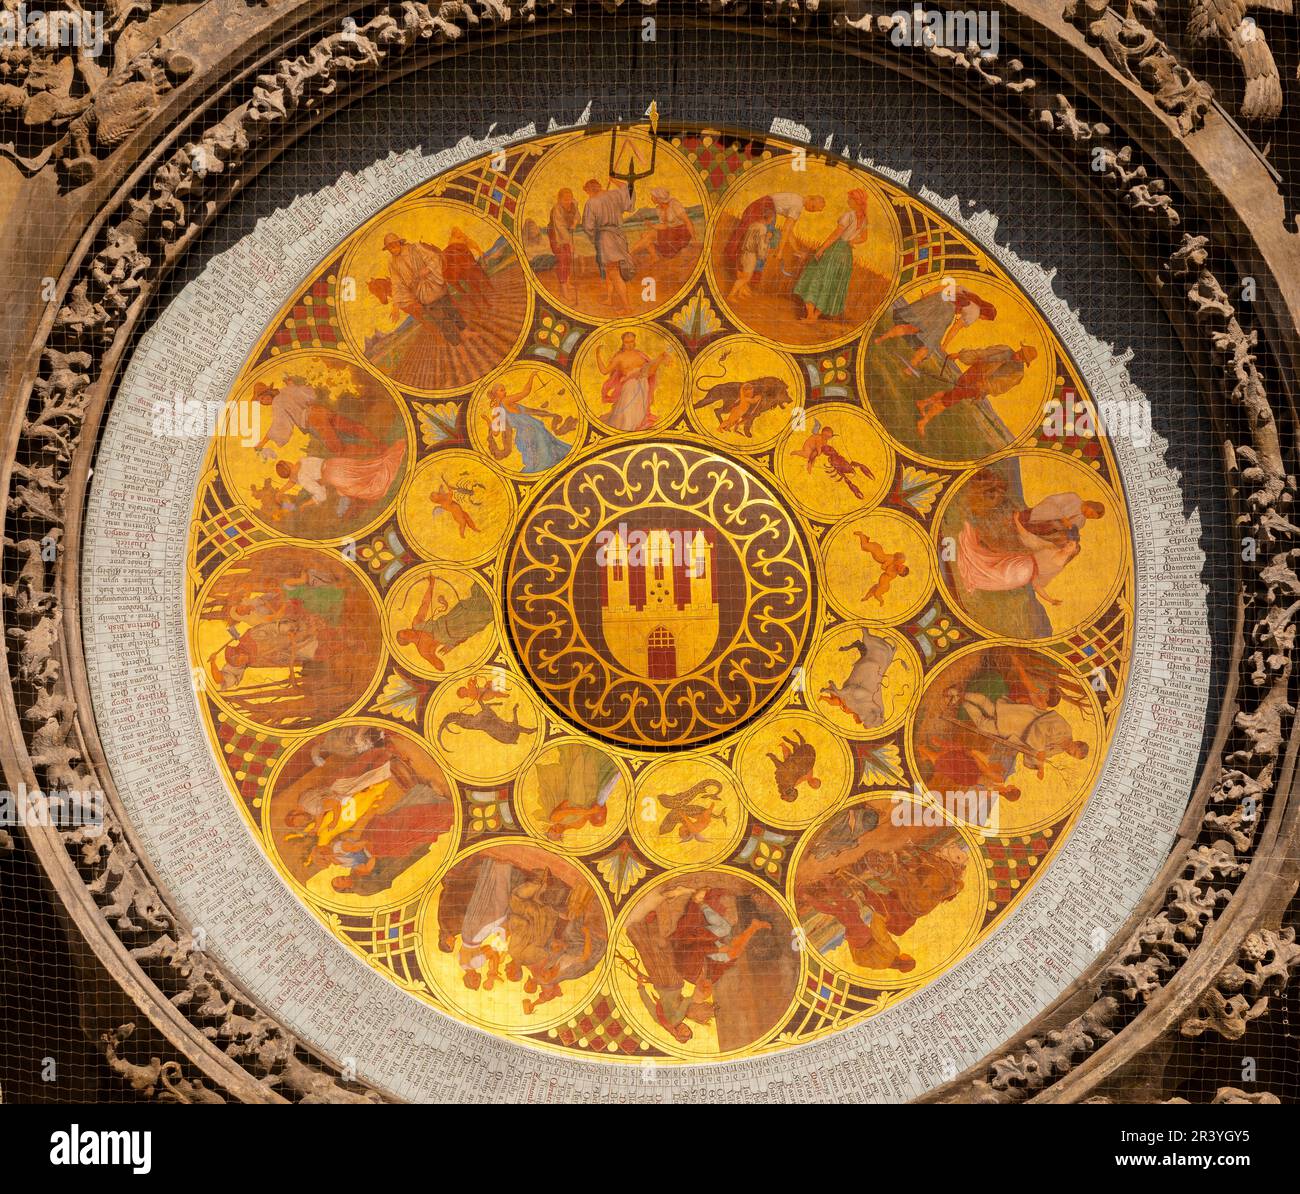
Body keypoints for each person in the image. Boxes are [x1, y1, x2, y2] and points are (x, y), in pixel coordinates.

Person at [793, 188, 872, 322]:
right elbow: (864, 238)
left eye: (850, 199)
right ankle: (815, 316)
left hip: (835, 250)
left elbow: (836, 235)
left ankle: (810, 316)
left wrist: (821, 249)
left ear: (856, 201)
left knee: (815, 277)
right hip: (846, 254)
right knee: (830, 284)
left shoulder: (849, 215)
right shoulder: (864, 219)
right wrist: (852, 241)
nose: (848, 201)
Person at [580, 178, 636, 311]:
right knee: (608, 269)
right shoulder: (614, 195)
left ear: (588, 190)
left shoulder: (591, 202)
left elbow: (588, 226)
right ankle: (610, 299)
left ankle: (627, 307)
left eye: (587, 192)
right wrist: (614, 180)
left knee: (614, 272)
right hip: (619, 235)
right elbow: (628, 188)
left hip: (605, 238)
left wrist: (595, 238)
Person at [596, 330, 665, 431]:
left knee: (639, 412)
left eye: (631, 341)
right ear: (623, 343)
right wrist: (597, 355)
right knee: (627, 413)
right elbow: (604, 371)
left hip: (642, 385)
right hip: (629, 386)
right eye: (627, 342)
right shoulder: (619, 357)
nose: (629, 345)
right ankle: (627, 430)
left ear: (635, 341)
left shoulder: (640, 355)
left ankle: (636, 428)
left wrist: (660, 360)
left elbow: (650, 371)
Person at [547, 188, 579, 302]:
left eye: (570, 198)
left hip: (566, 233)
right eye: (565, 199)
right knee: (562, 260)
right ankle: (563, 289)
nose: (568, 201)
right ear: (559, 199)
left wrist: (574, 223)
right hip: (556, 235)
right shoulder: (557, 209)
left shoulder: (573, 204)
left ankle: (568, 282)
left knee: (569, 258)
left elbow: (577, 216)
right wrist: (570, 242)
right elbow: (560, 228)